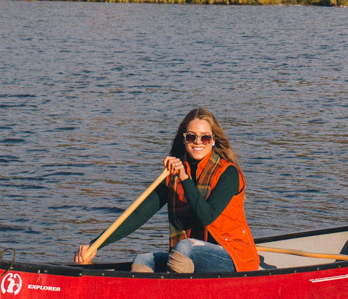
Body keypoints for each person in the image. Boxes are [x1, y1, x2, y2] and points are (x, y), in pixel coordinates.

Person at [75, 107, 261, 276]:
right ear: (184, 139)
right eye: (191, 137)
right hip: (190, 254)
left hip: (233, 256)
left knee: (184, 248)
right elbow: (138, 214)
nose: (198, 142)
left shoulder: (228, 173)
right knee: (142, 261)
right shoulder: (173, 174)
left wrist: (184, 178)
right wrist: (96, 244)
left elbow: (207, 216)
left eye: (205, 137)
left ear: (213, 141)